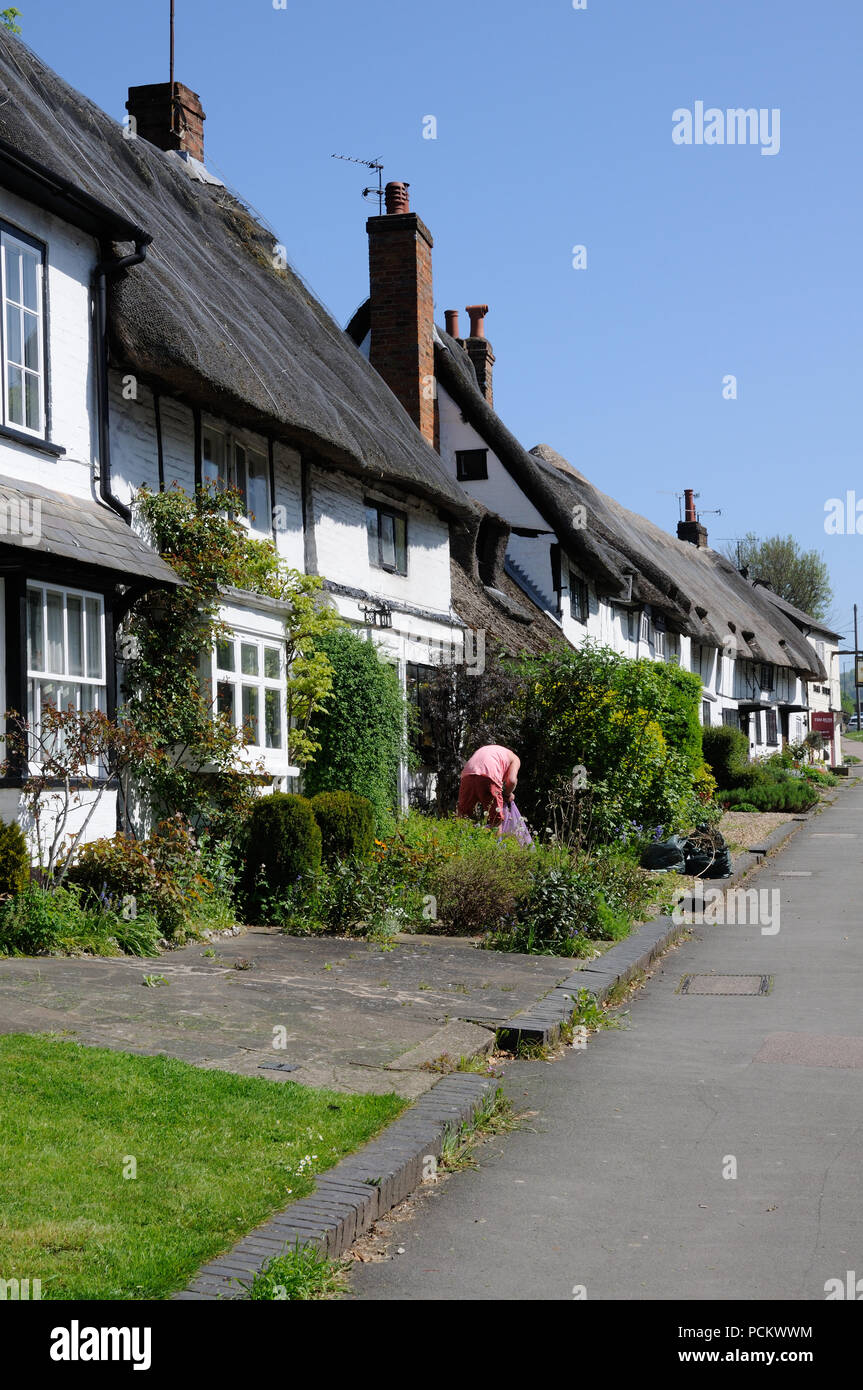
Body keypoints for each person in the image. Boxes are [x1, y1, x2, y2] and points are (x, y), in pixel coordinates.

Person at [457, 744, 521, 829]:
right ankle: (495, 842)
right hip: (489, 777)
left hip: (467, 776)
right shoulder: (515, 759)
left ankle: (458, 839)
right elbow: (512, 781)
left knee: (463, 815)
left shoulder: (491, 749)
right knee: (496, 820)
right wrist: (507, 794)